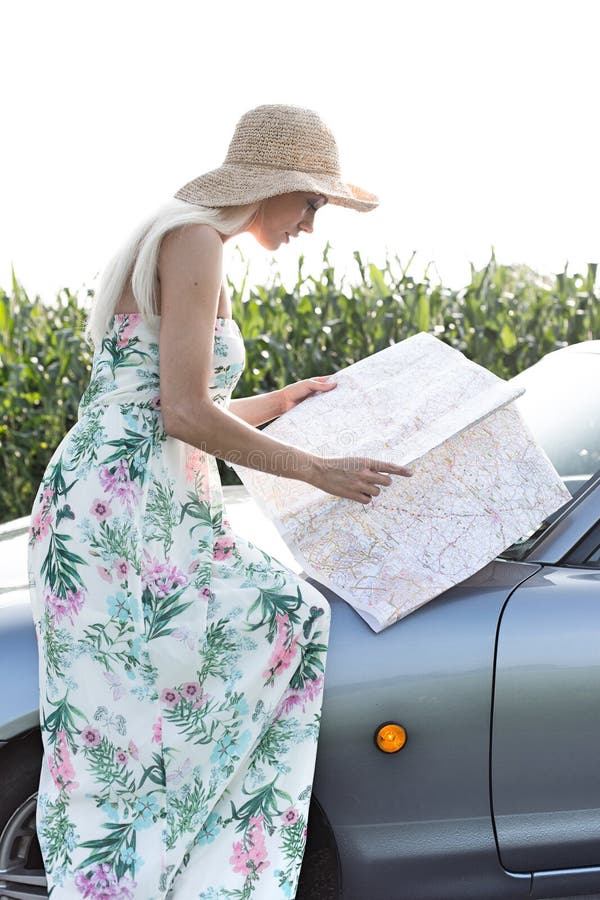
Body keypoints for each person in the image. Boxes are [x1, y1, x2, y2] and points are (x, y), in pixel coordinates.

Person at [28, 104, 412, 899]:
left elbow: (168, 404)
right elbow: (181, 415)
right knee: (138, 713)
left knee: (148, 704)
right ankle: (149, 876)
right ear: (276, 186)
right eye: (312, 204)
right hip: (121, 509)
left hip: (133, 490)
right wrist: (317, 470)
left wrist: (285, 399)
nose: (311, 224)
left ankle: (177, 871)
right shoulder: (194, 239)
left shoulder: (191, 240)